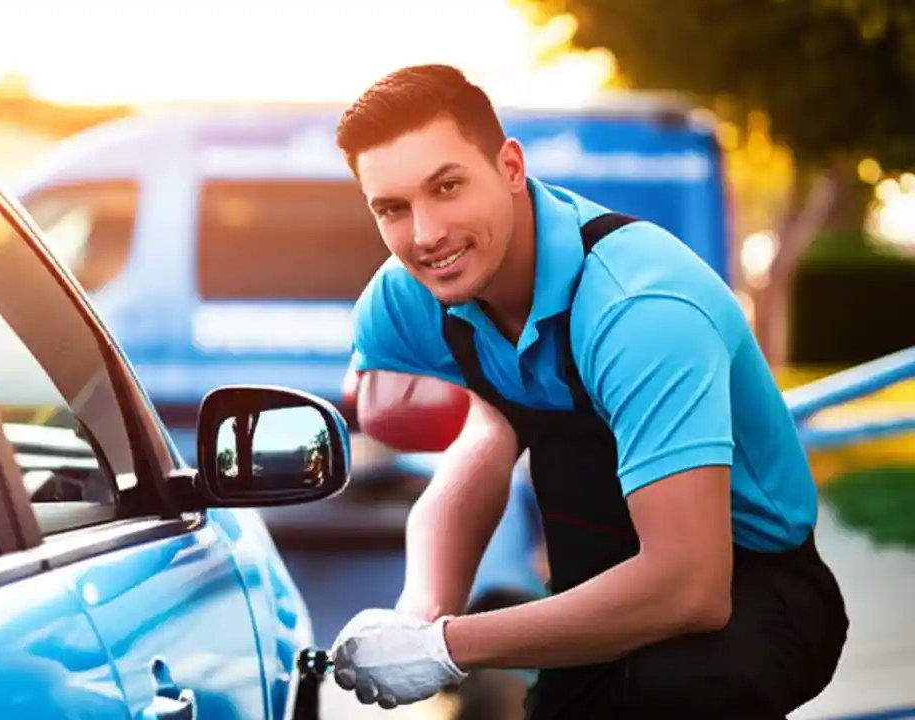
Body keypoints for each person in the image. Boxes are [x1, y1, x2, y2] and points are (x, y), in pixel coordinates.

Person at [327, 64, 848, 718]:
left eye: (448, 186)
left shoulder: (640, 309)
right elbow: (484, 431)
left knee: (675, 691)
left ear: (510, 168)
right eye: (392, 208)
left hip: (752, 585)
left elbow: (692, 588)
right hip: (596, 576)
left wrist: (448, 645)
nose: (426, 234)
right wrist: (416, 615)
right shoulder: (412, 292)